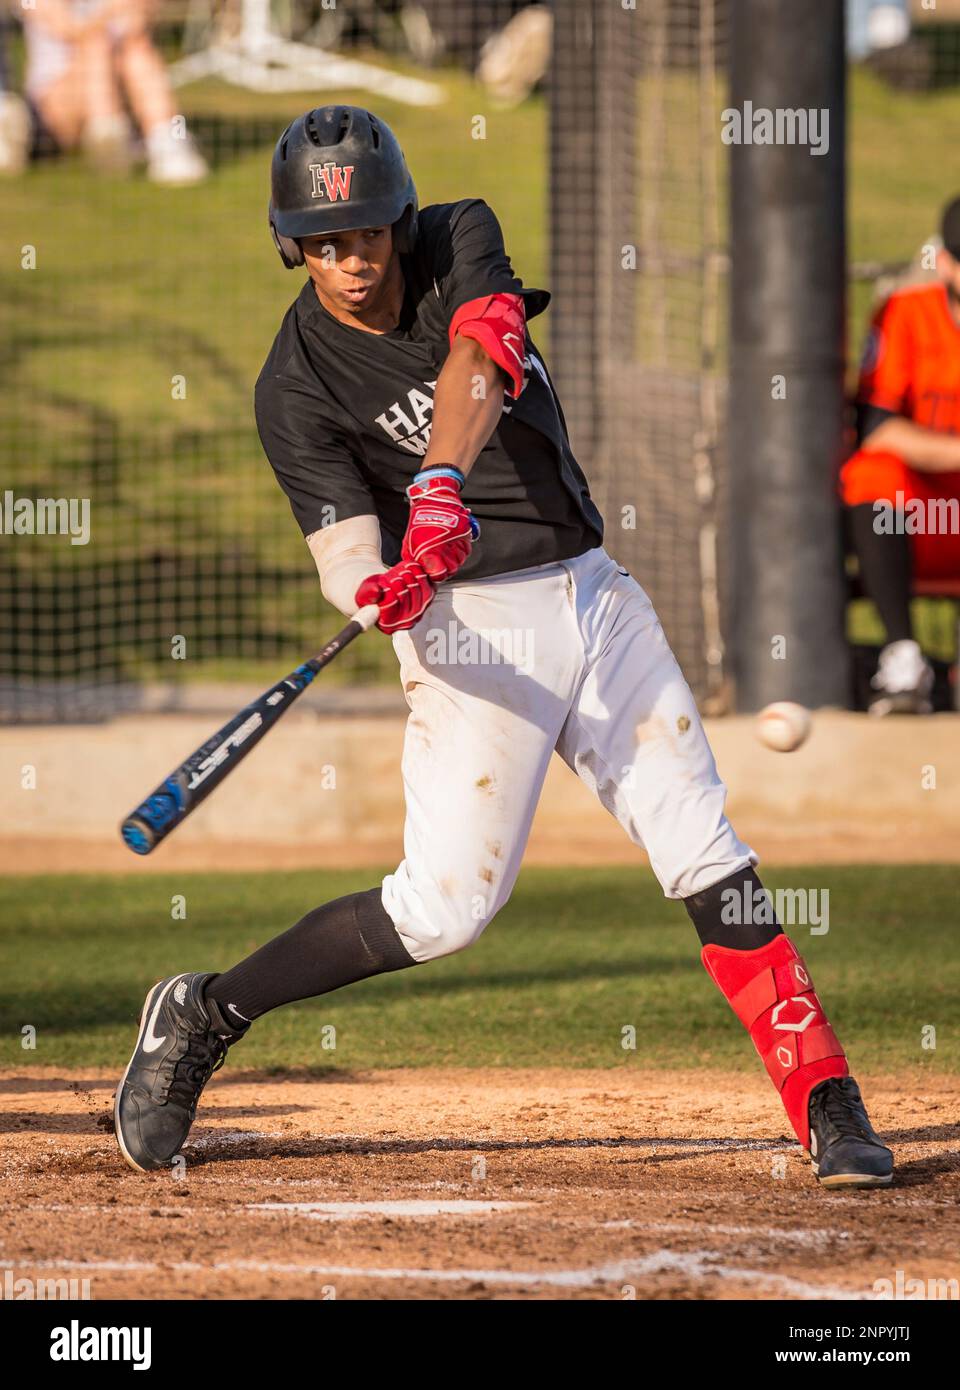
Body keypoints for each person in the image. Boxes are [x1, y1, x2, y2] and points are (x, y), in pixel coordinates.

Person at [114, 106, 893, 1190]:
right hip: (465, 627)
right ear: (293, 243)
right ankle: (207, 1011)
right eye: (327, 242)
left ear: (398, 221)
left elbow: (485, 348)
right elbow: (341, 548)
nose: (355, 261)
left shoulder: (456, 237)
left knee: (702, 842)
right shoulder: (291, 388)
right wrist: (379, 585)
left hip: (590, 590)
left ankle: (824, 1095)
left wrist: (437, 485)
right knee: (443, 910)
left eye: (370, 233)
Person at [843, 196, 960, 714]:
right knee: (871, 474)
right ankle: (904, 657)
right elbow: (877, 429)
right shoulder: (909, 313)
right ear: (948, 263)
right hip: (923, 522)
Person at [21, 0, 207, 182]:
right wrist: (111, 12)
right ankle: (108, 133)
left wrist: (139, 15)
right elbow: (70, 29)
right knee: (96, 43)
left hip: (114, 86)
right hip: (53, 107)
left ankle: (170, 141)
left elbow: (142, 19)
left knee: (138, 46)